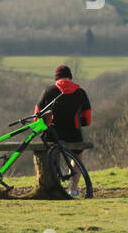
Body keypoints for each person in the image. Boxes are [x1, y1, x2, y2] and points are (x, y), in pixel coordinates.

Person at [35, 64, 91, 196]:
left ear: (56, 78)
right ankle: (73, 189)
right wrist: (76, 123)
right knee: (77, 156)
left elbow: (37, 118)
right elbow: (87, 120)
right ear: (70, 77)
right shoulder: (81, 93)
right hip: (74, 135)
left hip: (51, 135)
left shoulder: (48, 91)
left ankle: (55, 187)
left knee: (51, 154)